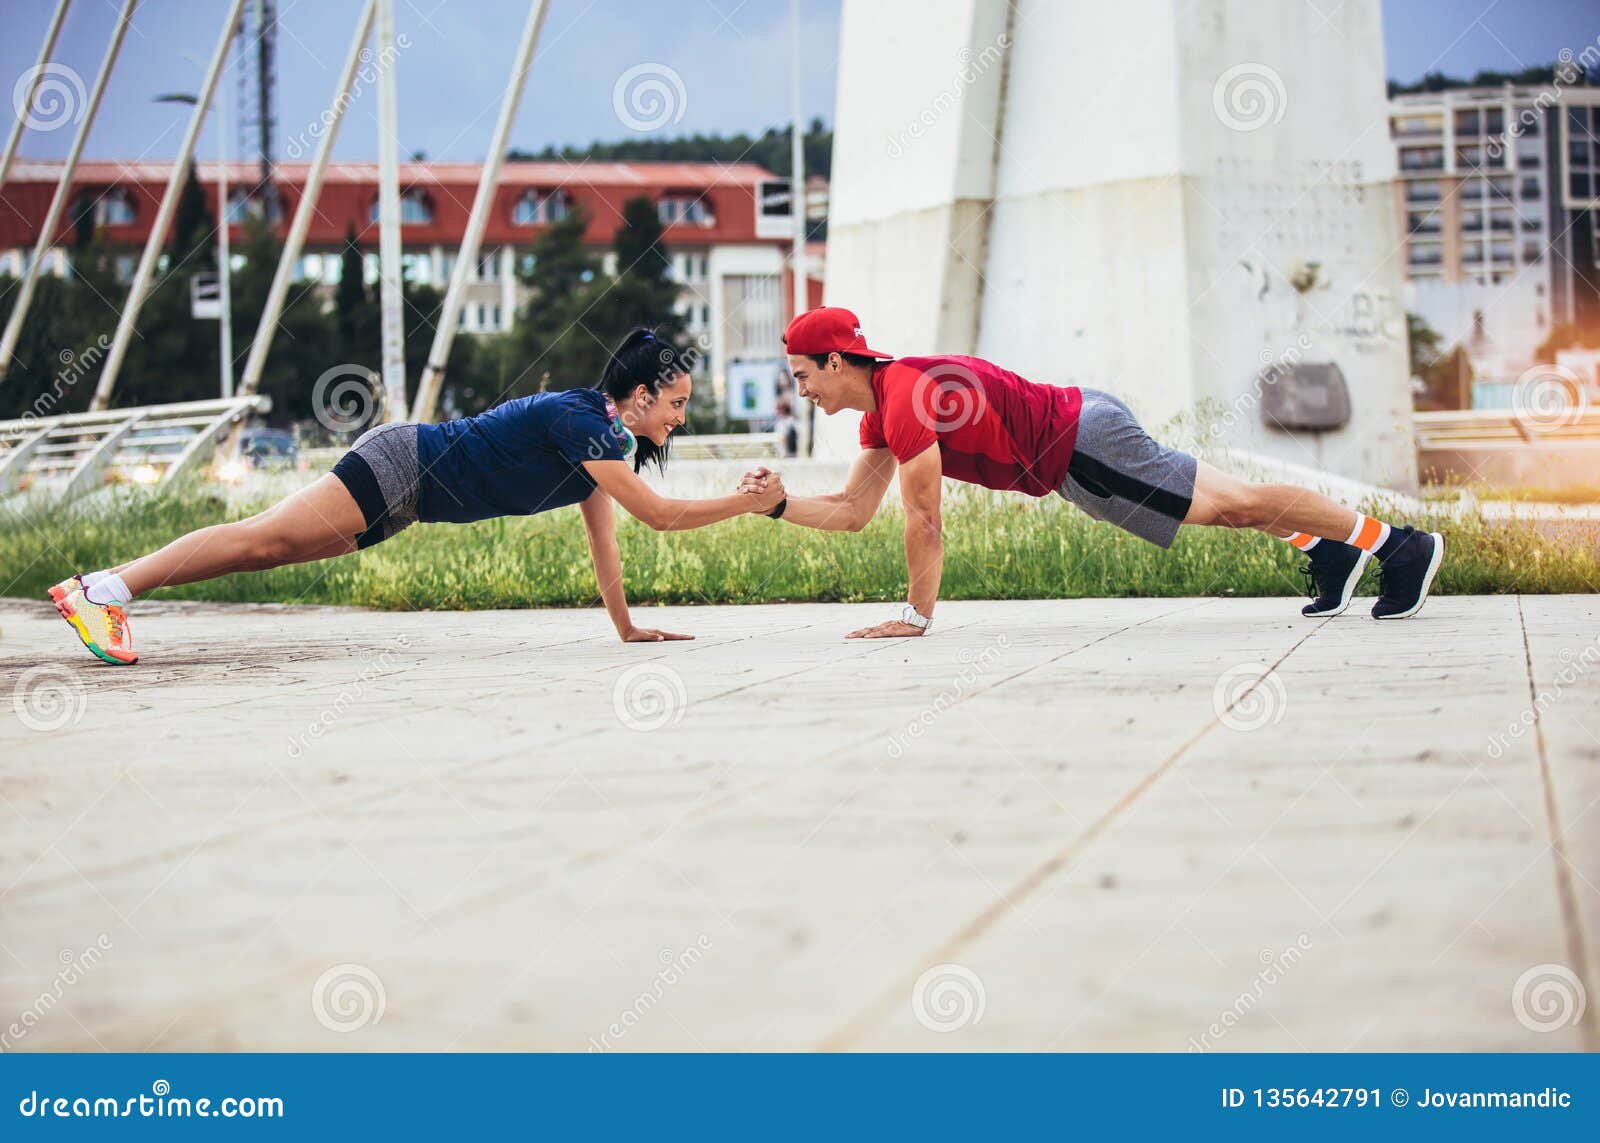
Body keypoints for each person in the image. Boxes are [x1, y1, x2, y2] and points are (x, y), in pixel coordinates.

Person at [52, 329, 786, 664]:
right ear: (639, 392)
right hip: (402, 463)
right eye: (676, 401)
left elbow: (609, 532)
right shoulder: (578, 417)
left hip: (408, 502)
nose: (680, 416)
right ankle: (101, 589)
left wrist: (625, 628)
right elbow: (657, 516)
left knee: (261, 551)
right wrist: (744, 501)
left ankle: (111, 593)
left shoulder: (605, 443)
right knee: (260, 537)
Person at [738, 307, 1444, 639]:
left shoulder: (906, 397)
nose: (799, 389)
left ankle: (1397, 546)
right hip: (1079, 439)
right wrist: (777, 504)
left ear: (837, 362)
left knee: (1239, 505)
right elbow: (853, 509)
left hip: (1082, 447)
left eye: (802, 374)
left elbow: (924, 519)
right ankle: (1327, 549)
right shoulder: (884, 408)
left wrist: (915, 617)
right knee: (1233, 503)